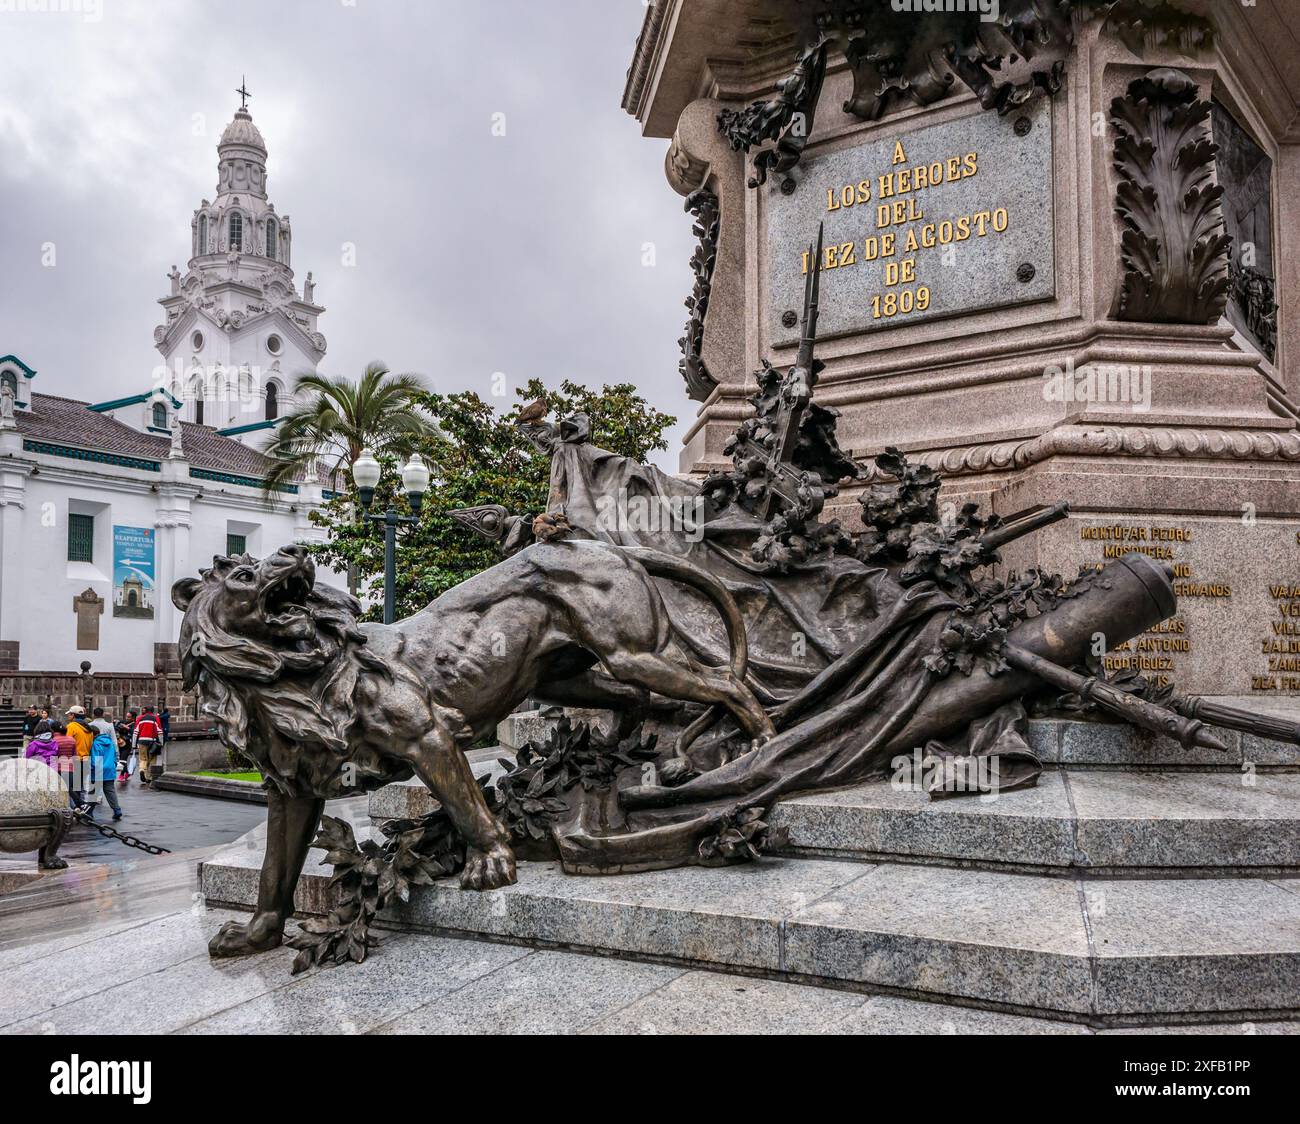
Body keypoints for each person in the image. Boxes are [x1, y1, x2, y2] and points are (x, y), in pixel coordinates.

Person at [88, 726, 122, 821]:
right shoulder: (110, 741)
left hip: (99, 769)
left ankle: (89, 812)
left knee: (94, 791)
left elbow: (95, 759)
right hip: (110, 768)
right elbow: (115, 754)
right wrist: (114, 764)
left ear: (92, 734)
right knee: (110, 791)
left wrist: (92, 768)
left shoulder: (95, 743)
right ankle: (117, 810)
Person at [66, 707, 95, 806]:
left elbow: (68, 743)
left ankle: (77, 807)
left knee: (71, 787)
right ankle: (82, 806)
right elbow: (91, 745)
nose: (68, 716)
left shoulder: (71, 726)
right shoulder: (89, 728)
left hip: (75, 759)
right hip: (86, 759)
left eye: (69, 714)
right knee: (80, 786)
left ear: (73, 715)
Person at [51, 721, 83, 809]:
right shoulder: (71, 739)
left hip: (59, 768)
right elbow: (74, 755)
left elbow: (53, 756)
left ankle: (79, 804)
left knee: (65, 789)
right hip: (71, 767)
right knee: (68, 788)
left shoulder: (53, 741)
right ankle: (76, 807)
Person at [133, 706, 162, 785]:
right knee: (152, 759)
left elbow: (135, 732)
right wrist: (161, 742)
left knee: (143, 758)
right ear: (152, 711)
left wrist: (134, 744)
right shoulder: (156, 718)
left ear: (145, 711)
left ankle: (142, 770)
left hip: (142, 741)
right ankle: (149, 777)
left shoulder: (140, 718)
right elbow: (159, 731)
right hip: (153, 741)